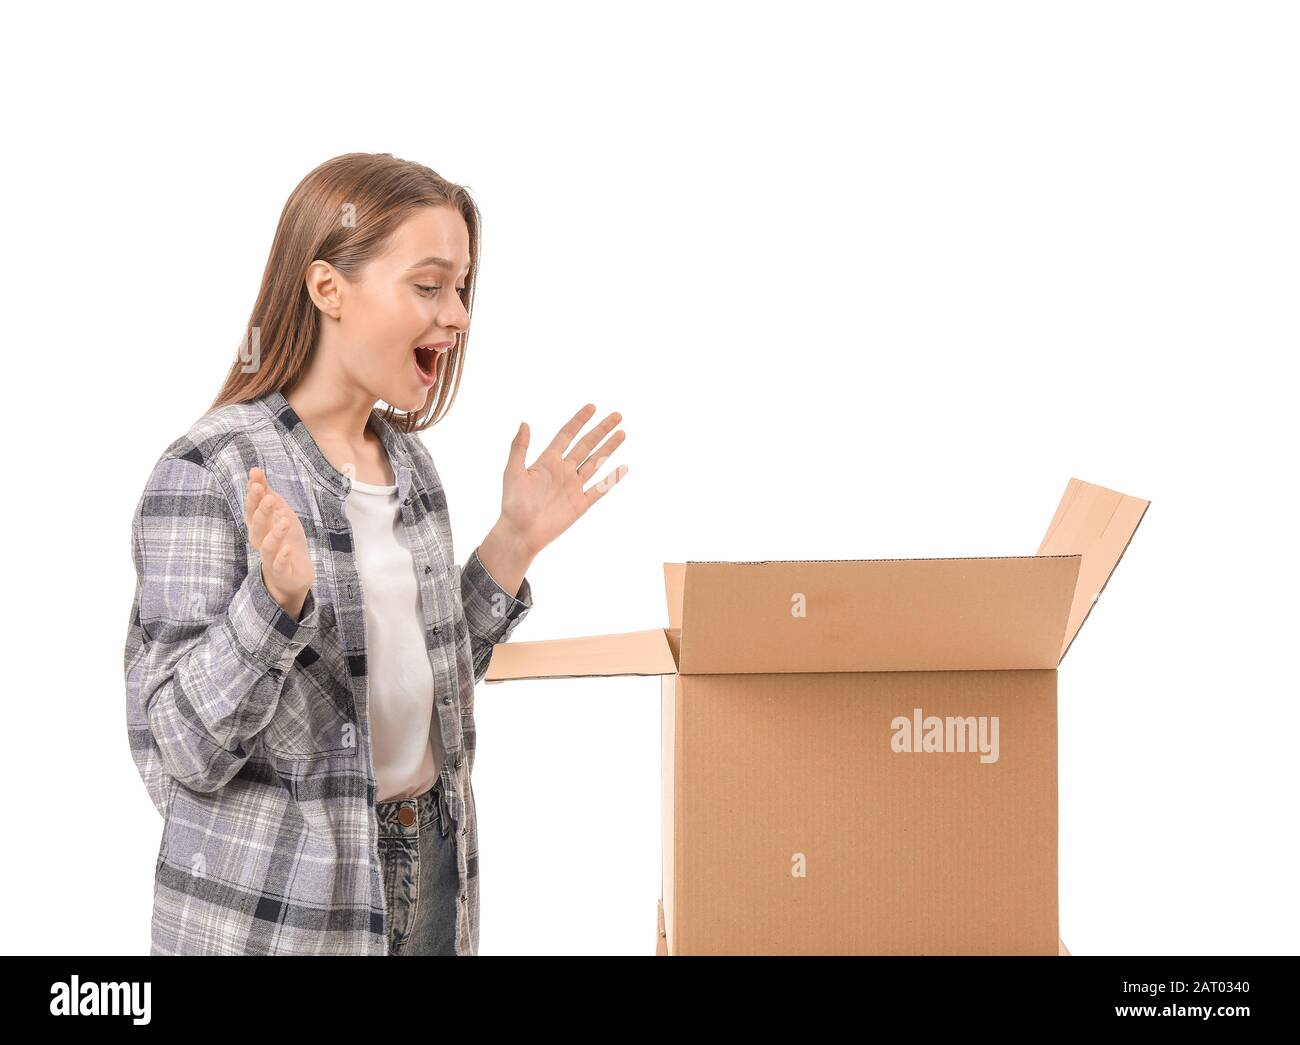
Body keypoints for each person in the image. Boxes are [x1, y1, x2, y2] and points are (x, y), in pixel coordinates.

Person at [123, 152, 628, 955]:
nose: (458, 315)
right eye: (428, 285)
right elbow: (182, 751)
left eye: (461, 287)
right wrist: (273, 603)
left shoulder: (409, 465)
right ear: (328, 288)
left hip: (431, 859)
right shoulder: (209, 468)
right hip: (283, 906)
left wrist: (515, 539)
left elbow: (430, 678)